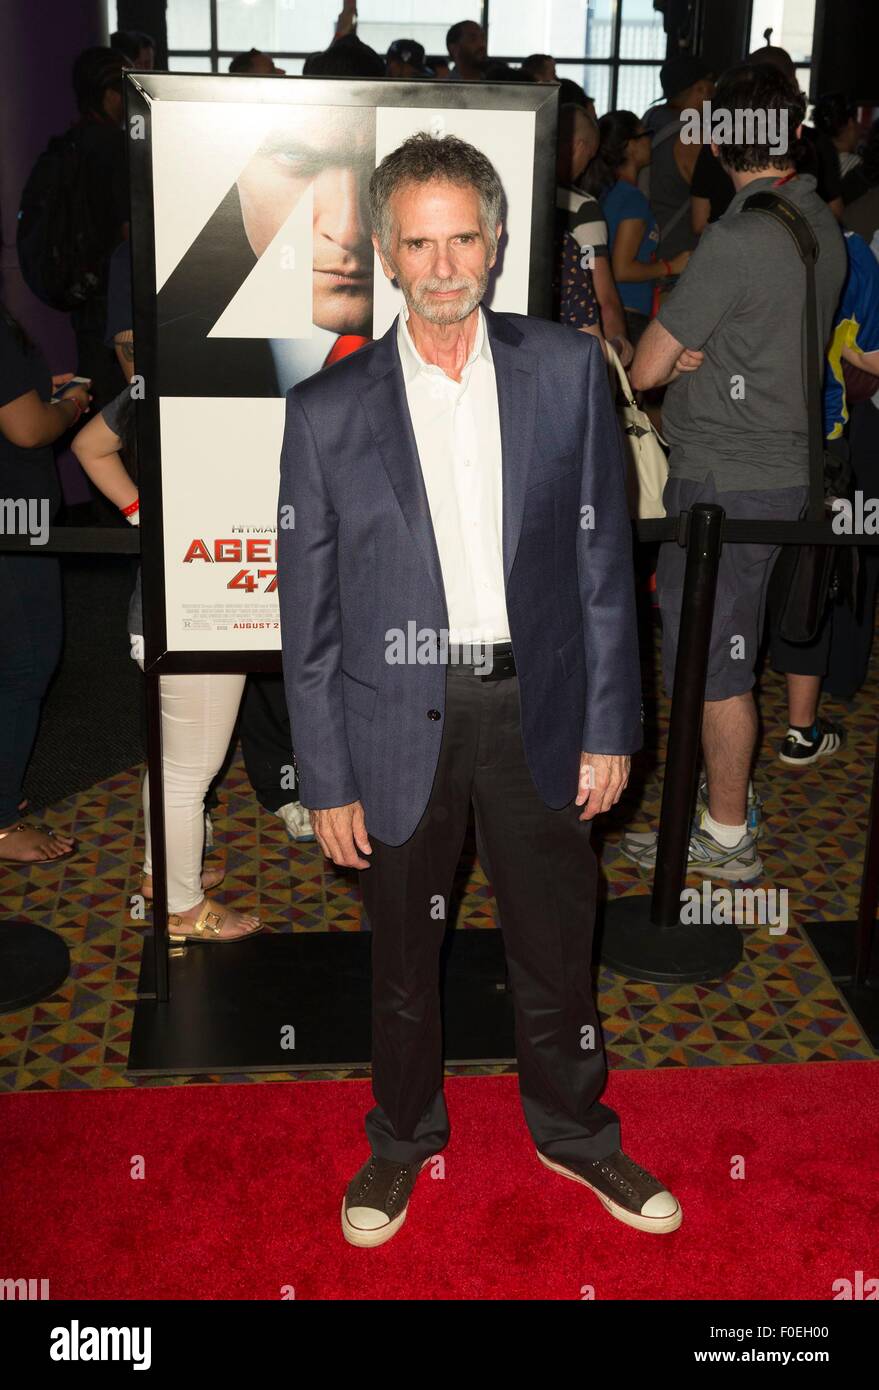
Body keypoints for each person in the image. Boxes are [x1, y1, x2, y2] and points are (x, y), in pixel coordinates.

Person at [278, 131, 680, 1246]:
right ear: (387, 254)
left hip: (538, 707)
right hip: (392, 719)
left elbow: (606, 571)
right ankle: (400, 1139)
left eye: (464, 238)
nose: (445, 264)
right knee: (403, 958)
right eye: (421, 242)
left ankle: (576, 1130)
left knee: (559, 941)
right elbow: (304, 621)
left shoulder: (564, 369)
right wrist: (327, 774)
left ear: (496, 244)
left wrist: (613, 723)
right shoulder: (327, 411)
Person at [625, 61, 846, 882]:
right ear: (790, 136)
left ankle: (725, 836)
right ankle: (702, 810)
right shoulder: (814, 221)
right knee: (717, 659)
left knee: (713, 668)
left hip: (724, 482)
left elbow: (644, 370)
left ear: (717, 142)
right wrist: (700, 350)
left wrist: (684, 354)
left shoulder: (733, 239)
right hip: (785, 472)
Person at [71, 388, 263, 943]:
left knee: (176, 763)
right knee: (188, 772)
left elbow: (89, 444)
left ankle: (164, 879)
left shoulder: (170, 369)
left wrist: (141, 513)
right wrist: (144, 516)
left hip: (191, 601)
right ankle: (180, 908)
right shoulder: (217, 375)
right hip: (196, 609)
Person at [768, 229, 879, 741]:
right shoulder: (851, 253)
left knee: (748, 582)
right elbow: (867, 357)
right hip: (818, 443)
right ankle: (800, 730)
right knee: (807, 583)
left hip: (742, 440)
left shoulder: (731, 238)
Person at [0, 304, 89, 864]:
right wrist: (70, 405)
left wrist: (37, 390)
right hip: (11, 518)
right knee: (25, 663)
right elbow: (28, 428)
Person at [584, 111, 690, 348]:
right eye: (647, 134)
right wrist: (672, 266)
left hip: (613, 309)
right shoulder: (632, 200)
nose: (651, 141)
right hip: (628, 312)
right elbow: (622, 269)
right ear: (630, 146)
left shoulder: (607, 192)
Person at [556, 104, 630, 363]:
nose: (586, 168)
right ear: (578, 147)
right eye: (589, 156)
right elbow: (603, 297)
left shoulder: (508, 196)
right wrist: (620, 351)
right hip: (570, 348)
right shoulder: (582, 208)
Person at [639, 56, 715, 262]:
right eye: (712, 87)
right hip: (679, 256)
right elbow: (709, 205)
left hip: (645, 246)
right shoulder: (693, 136)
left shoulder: (650, 119)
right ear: (700, 89)